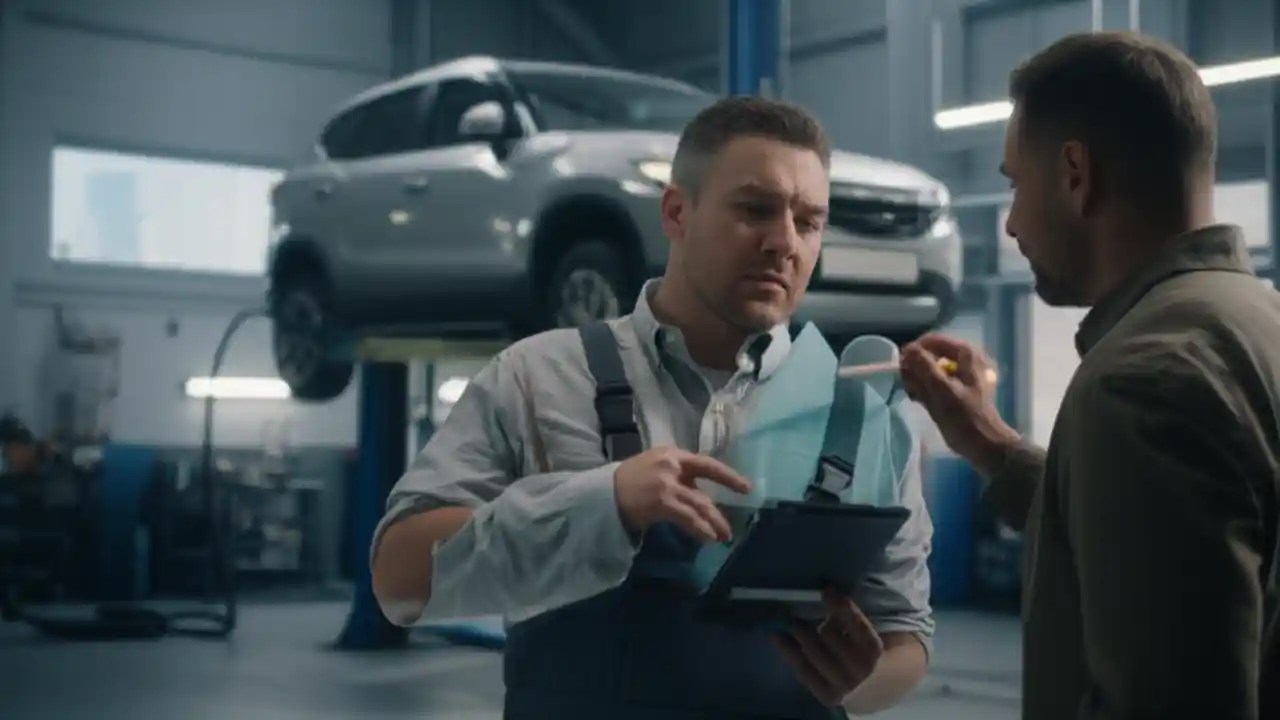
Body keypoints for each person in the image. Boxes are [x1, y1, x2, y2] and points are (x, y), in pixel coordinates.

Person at [370, 96, 935, 718]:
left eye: (809, 221)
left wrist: (861, 679)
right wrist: (603, 501)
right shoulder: (539, 378)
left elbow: (904, 632)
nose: (784, 242)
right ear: (676, 211)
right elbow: (399, 581)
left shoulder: (863, 416)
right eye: (755, 209)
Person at [900, 31, 1279, 719]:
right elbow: (1165, 535)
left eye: (1015, 183)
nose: (1011, 222)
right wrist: (993, 446)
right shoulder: (1253, 321)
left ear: (1076, 173)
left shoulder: (1141, 378)